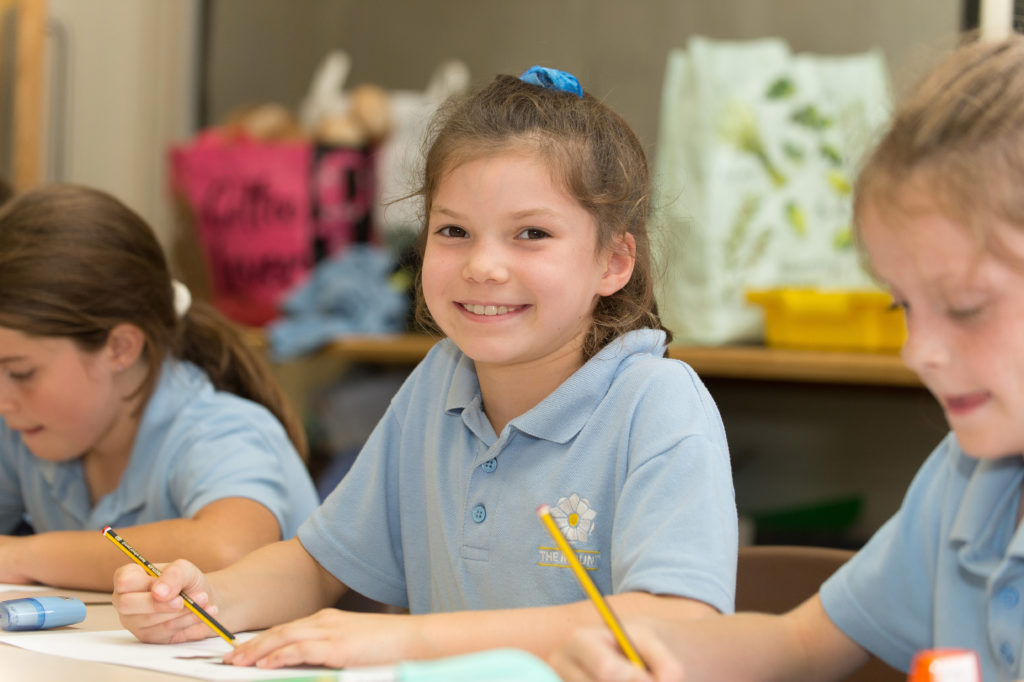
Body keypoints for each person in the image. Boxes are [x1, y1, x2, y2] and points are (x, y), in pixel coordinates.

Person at [111, 66, 737, 669]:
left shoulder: (656, 402)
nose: (483, 266)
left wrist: (407, 641)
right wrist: (203, 599)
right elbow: (317, 564)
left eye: (531, 235)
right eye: (454, 230)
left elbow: (678, 620)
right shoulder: (440, 382)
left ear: (614, 261)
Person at [548, 34, 1024, 682]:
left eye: (967, 306)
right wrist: (648, 653)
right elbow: (801, 644)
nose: (919, 352)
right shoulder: (969, 481)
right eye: (903, 306)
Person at [0, 184, 319, 591]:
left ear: (120, 348)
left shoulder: (219, 430)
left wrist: (21, 556)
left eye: (21, 372)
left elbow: (227, 549)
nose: (2, 399)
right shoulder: (28, 431)